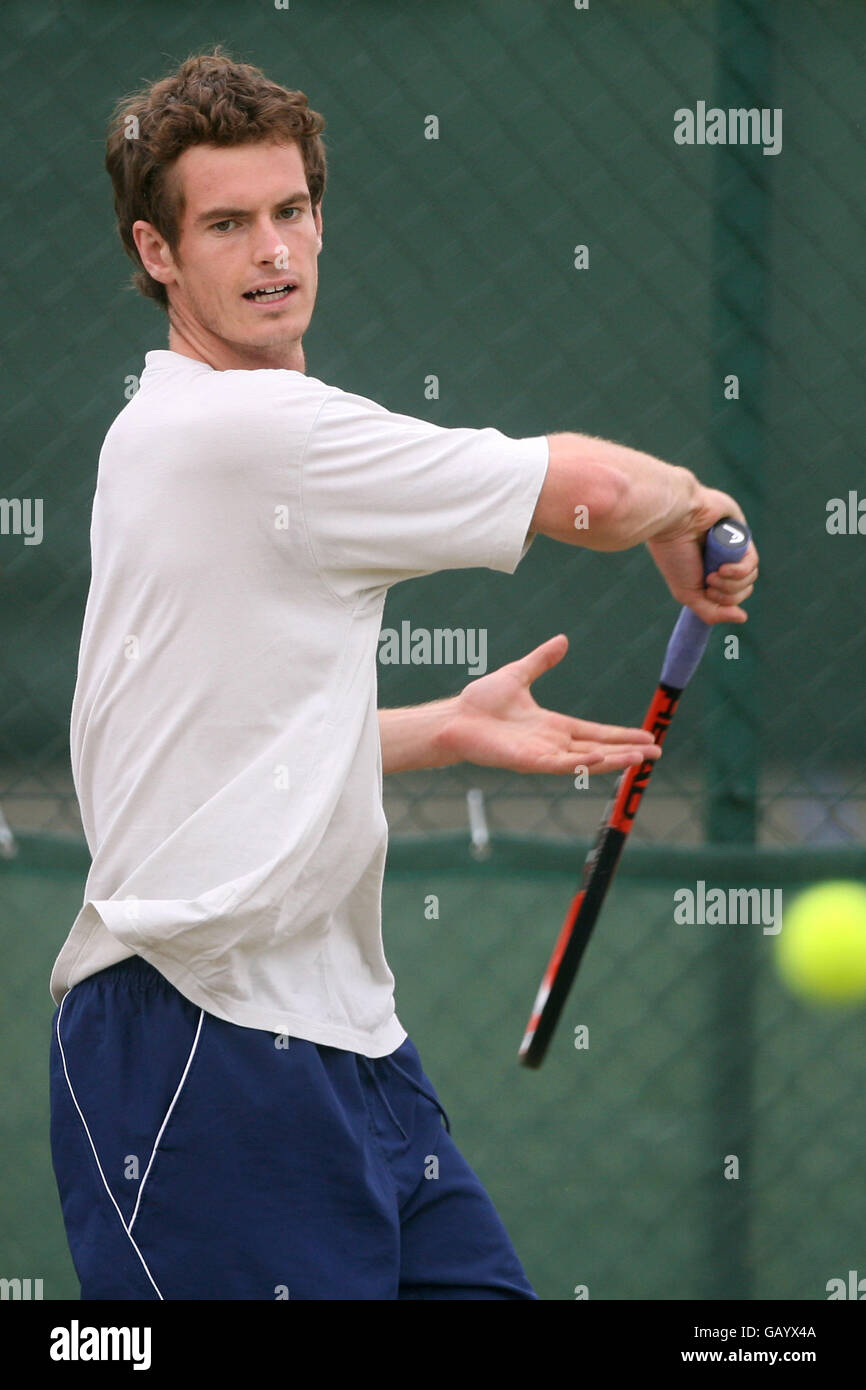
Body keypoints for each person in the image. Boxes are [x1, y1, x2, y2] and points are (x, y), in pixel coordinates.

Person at [48, 48, 758, 1301]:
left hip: (356, 1048)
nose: (272, 250)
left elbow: (212, 739)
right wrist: (686, 504)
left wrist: (438, 726)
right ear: (158, 253)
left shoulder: (166, 434)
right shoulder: (242, 431)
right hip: (192, 1042)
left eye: (291, 211)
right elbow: (588, 494)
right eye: (226, 223)